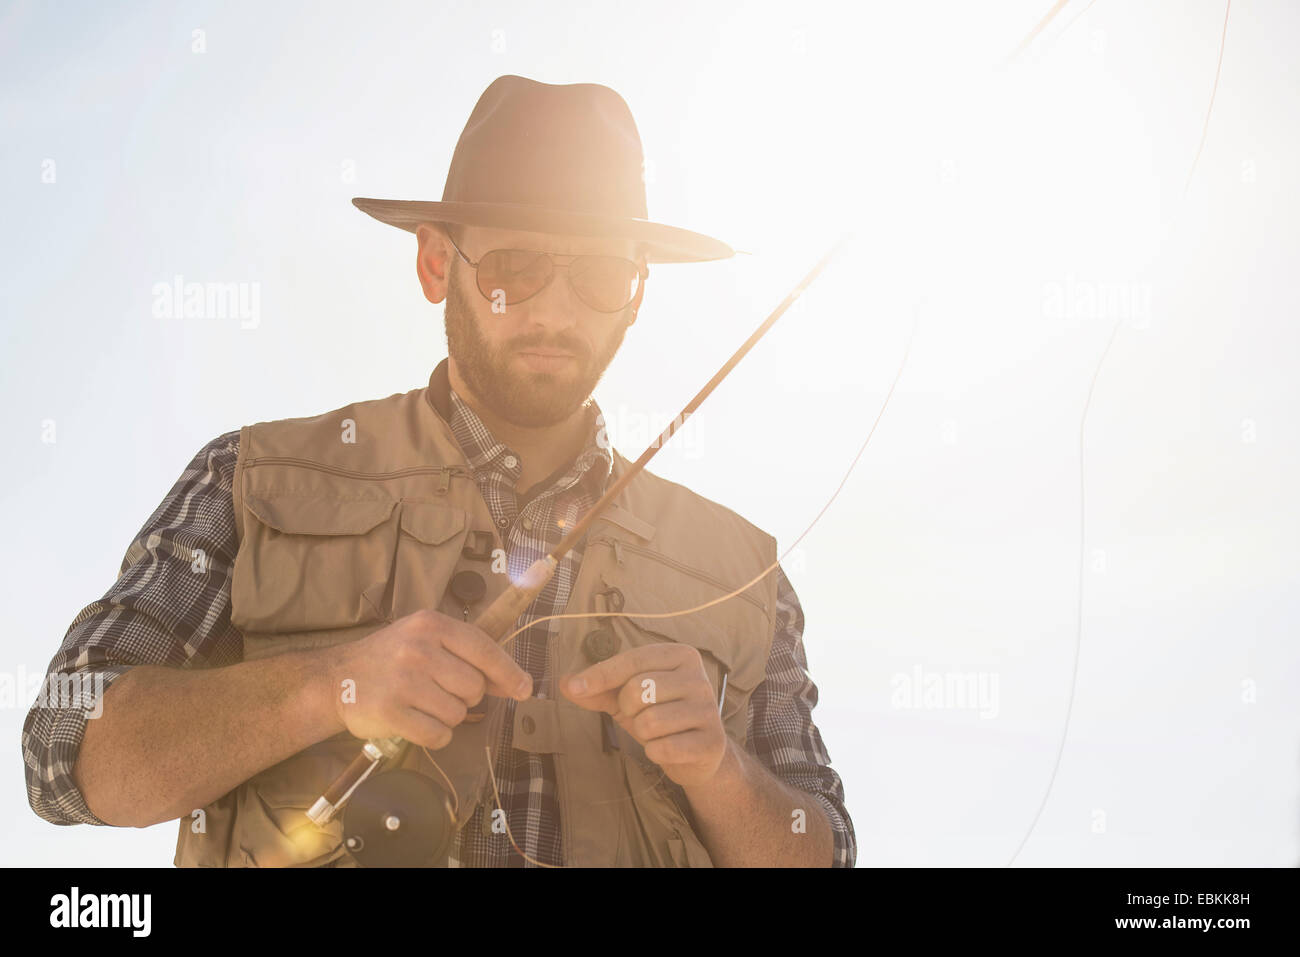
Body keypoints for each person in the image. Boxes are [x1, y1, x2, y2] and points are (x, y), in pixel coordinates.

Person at [22, 75, 856, 867]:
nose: (556, 311)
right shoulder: (246, 477)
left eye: (601, 275)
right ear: (435, 265)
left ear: (636, 296)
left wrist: (720, 771)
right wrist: (328, 685)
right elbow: (60, 753)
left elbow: (824, 850)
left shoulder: (747, 572)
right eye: (516, 268)